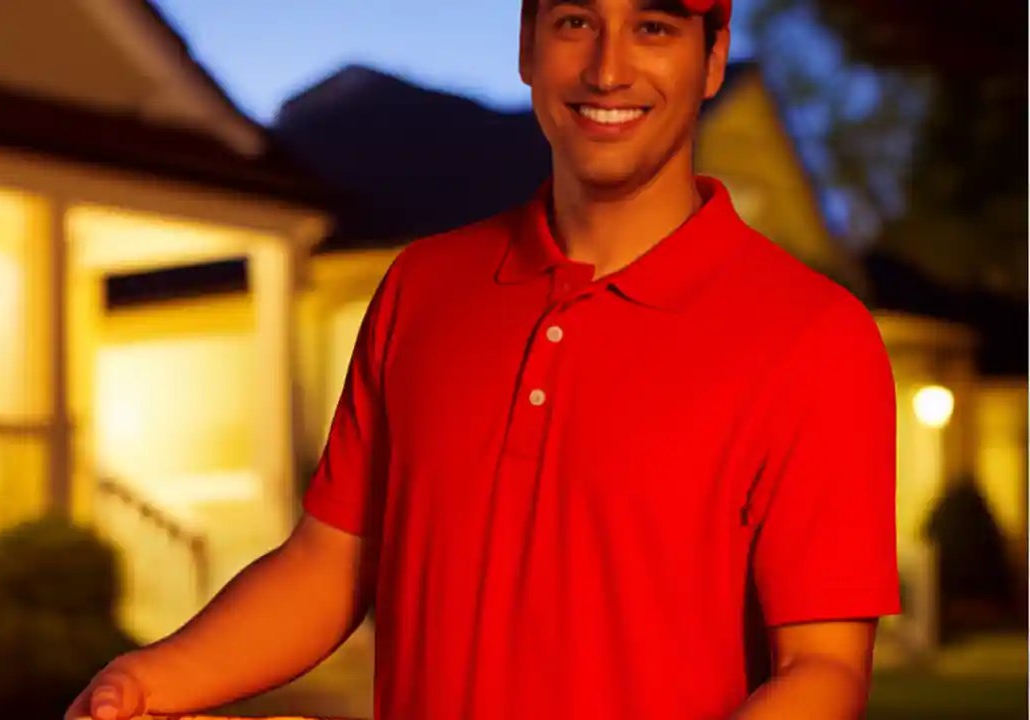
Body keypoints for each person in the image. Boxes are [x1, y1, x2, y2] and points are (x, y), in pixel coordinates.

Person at [67, 0, 900, 717]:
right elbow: (329, 566)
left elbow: (821, 669)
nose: (609, 69)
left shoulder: (813, 336)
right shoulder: (421, 289)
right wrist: (150, 676)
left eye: (653, 27)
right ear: (528, 48)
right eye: (576, 21)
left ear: (713, 58)